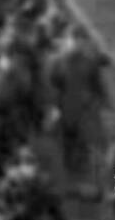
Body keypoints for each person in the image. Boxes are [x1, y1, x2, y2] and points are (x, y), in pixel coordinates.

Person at [45, 24, 110, 200]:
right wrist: (53, 108)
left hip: (84, 110)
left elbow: (97, 85)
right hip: (66, 109)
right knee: (66, 147)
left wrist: (104, 104)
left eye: (79, 41)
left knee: (93, 147)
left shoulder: (88, 62)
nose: (76, 44)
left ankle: (95, 186)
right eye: (74, 40)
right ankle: (70, 183)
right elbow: (51, 86)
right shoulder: (57, 61)